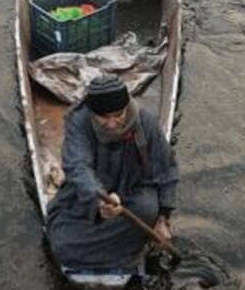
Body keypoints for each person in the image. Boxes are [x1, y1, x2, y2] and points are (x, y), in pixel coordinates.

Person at [46, 74, 178, 273]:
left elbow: (166, 169)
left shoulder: (146, 122)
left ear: (126, 107)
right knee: (62, 246)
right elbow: (78, 167)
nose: (111, 123)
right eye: (103, 117)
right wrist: (100, 200)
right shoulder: (79, 121)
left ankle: (112, 246)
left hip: (131, 188)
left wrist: (163, 219)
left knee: (148, 208)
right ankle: (124, 248)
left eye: (118, 115)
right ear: (92, 112)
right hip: (91, 194)